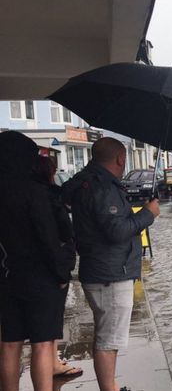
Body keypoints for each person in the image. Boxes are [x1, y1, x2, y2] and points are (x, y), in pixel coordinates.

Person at [62, 138, 160, 391]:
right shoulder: (104, 188)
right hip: (111, 274)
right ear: (120, 159)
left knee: (106, 334)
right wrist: (148, 214)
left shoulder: (88, 182)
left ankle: (111, 385)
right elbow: (116, 231)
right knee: (108, 340)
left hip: (101, 270)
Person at [0, 131, 76, 391]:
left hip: (7, 277)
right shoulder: (35, 192)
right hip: (40, 279)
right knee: (42, 344)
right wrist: (62, 274)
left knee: (10, 343)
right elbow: (48, 239)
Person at [31, 156, 84, 379]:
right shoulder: (48, 198)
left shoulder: (15, 194)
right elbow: (62, 233)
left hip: (19, 272)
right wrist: (62, 273)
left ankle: (53, 361)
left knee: (19, 339)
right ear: (50, 173)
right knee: (45, 335)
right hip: (50, 273)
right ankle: (51, 365)